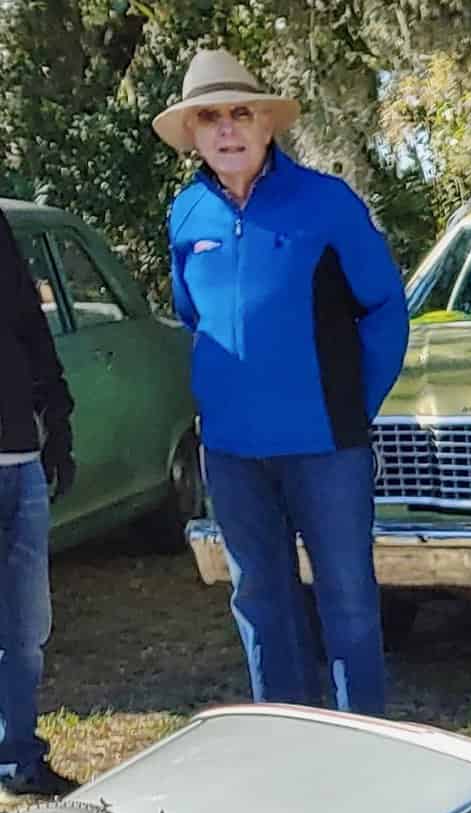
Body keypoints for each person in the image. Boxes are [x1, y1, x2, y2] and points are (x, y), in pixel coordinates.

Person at [161, 49, 408, 714]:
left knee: (347, 599)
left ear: (268, 125)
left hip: (326, 446)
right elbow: (194, 318)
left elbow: (386, 308)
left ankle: (363, 739)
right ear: (193, 135)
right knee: (259, 599)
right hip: (234, 453)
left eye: (241, 113)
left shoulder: (327, 204)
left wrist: (355, 403)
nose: (227, 128)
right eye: (209, 117)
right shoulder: (185, 217)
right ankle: (284, 737)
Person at [0, 202, 73, 798]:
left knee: (26, 627)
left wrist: (59, 417)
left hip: (20, 460)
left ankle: (18, 758)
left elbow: (28, 323)